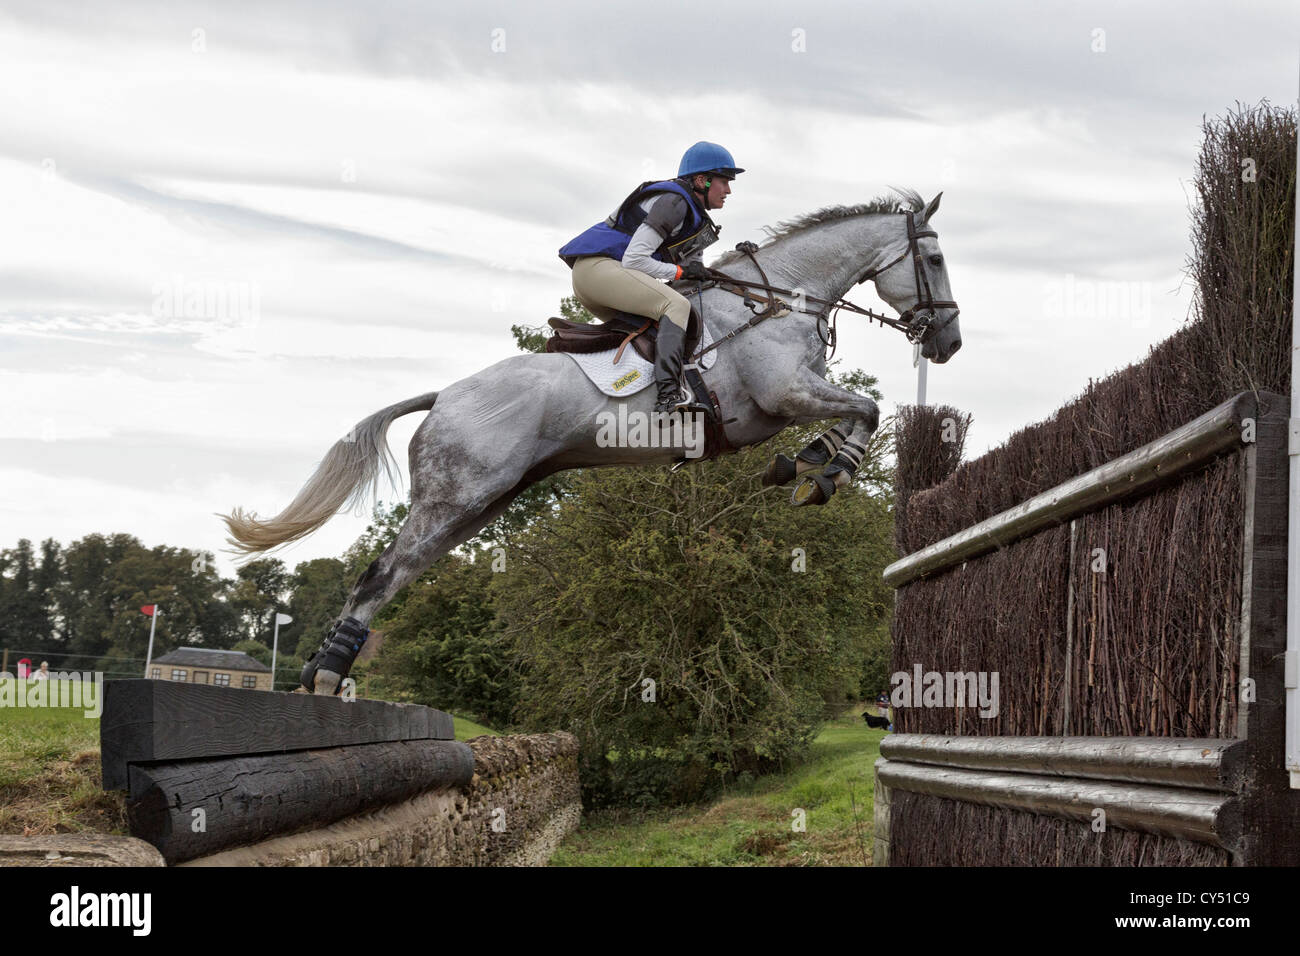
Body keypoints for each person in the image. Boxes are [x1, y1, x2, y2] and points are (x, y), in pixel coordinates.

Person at [558, 141, 743, 412]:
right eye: (724, 181)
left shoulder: (694, 217)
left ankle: (627, 400)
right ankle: (668, 396)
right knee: (676, 306)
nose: (728, 190)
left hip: (601, 277)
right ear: (702, 181)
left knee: (659, 330)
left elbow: (693, 276)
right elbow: (636, 260)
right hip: (599, 270)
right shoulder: (674, 202)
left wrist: (741, 256)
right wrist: (680, 271)